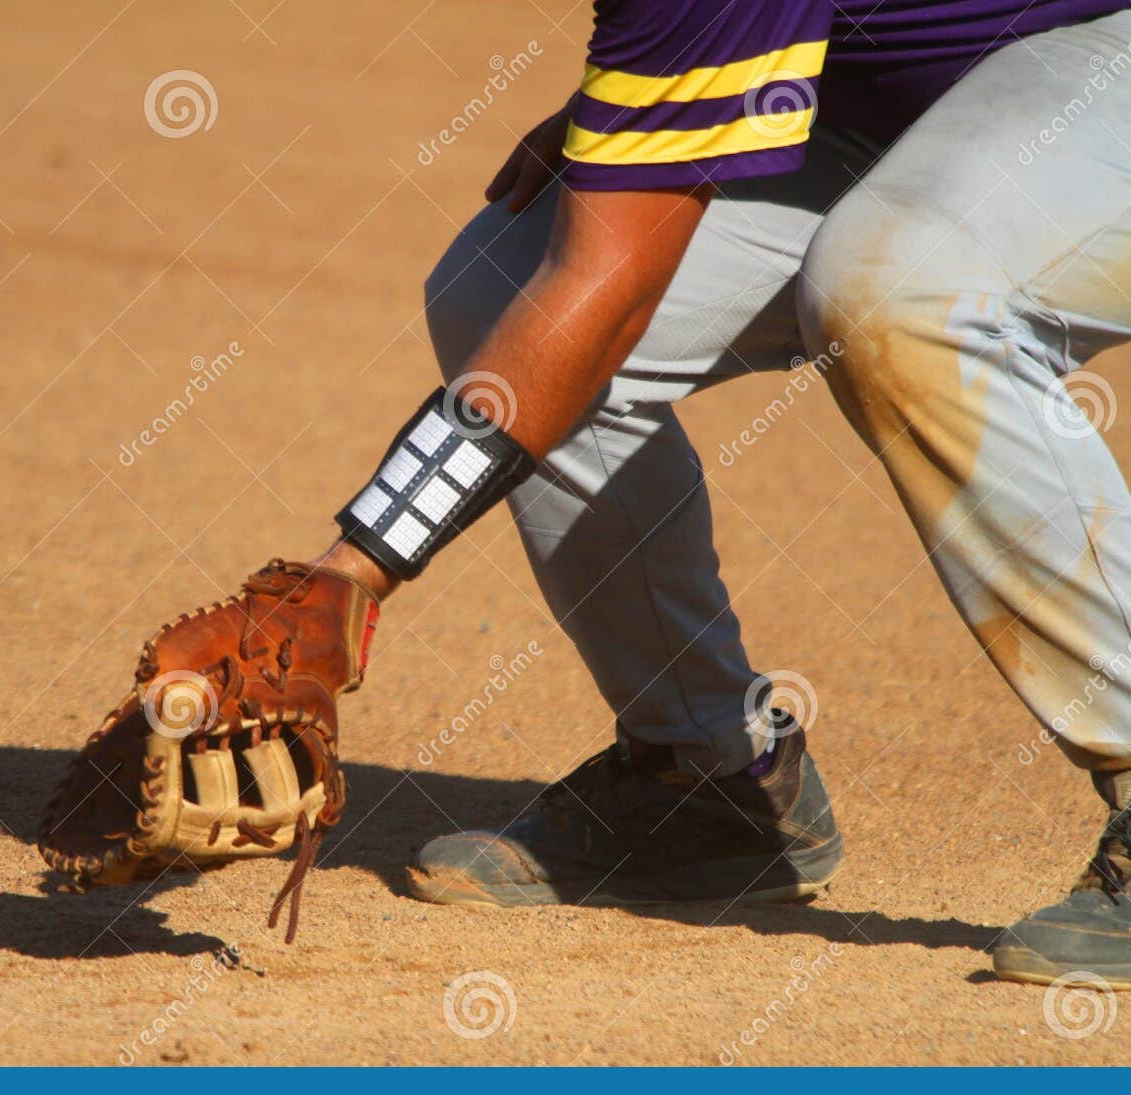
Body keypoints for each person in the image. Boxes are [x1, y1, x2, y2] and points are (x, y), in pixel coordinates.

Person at [298, 0, 1131, 987]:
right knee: (503, 285)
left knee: (902, 288)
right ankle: (710, 777)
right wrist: (660, 96)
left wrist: (352, 570)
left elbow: (605, 288)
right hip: (868, 98)